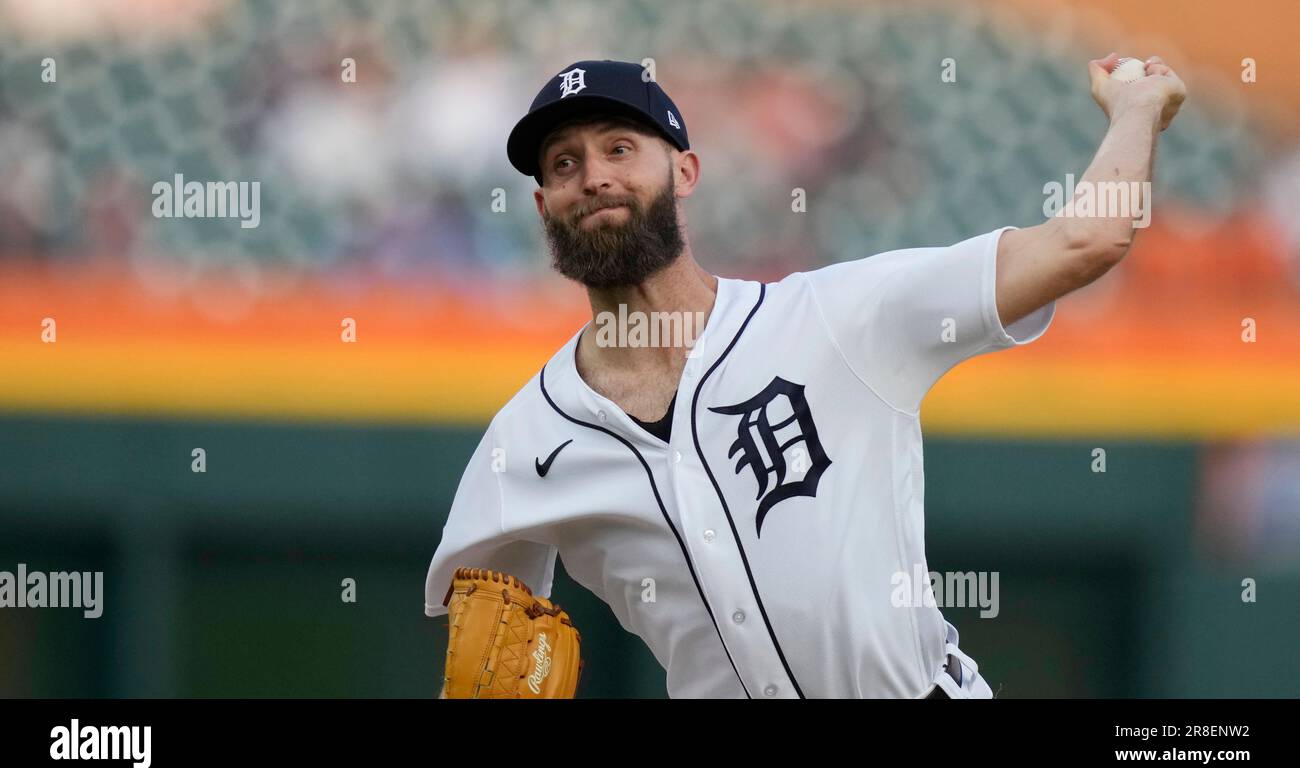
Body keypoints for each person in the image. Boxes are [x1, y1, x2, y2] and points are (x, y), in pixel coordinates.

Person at [425, 57, 1186, 698]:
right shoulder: (527, 438)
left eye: (619, 148)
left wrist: (1138, 107)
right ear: (541, 203)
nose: (592, 176)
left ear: (684, 170)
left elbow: (1088, 237)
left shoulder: (838, 317)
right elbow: (486, 641)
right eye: (564, 164)